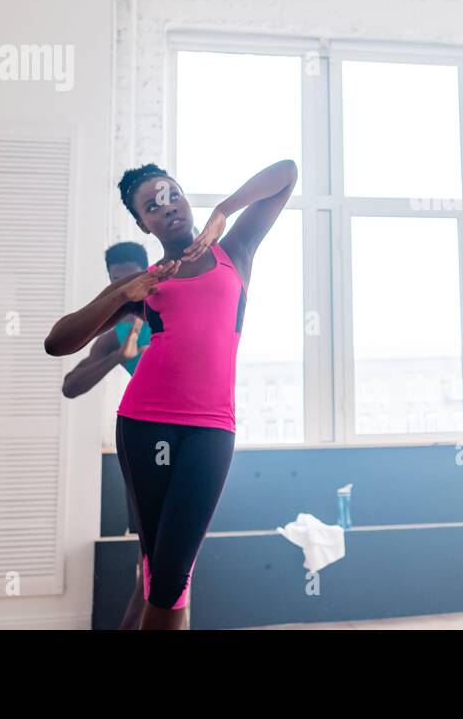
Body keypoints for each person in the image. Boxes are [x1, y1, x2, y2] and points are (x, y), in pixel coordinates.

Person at [46, 159, 297, 629]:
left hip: (213, 430)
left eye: (172, 194)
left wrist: (227, 207)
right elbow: (57, 343)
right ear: (144, 224)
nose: (168, 207)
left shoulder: (236, 250)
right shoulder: (145, 282)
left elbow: (287, 171)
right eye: (153, 206)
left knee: (169, 574)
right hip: (146, 426)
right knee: (164, 575)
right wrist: (122, 295)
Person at [60, 240, 153, 629]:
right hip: (147, 448)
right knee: (150, 566)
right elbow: (71, 384)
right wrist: (119, 356)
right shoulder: (121, 331)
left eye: (132, 276)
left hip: (197, 440)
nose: (125, 285)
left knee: (170, 567)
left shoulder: (174, 310)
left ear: (148, 272)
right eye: (117, 281)